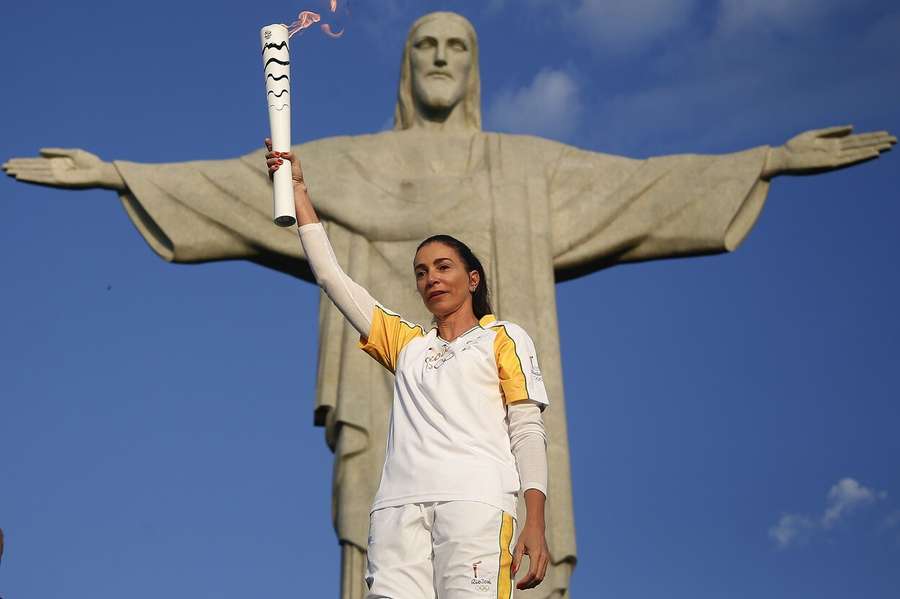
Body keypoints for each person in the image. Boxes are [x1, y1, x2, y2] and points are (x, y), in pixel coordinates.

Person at [266, 136, 551, 597]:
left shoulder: (503, 338)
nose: (431, 278)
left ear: (472, 278)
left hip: (475, 505)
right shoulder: (408, 345)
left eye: (443, 267)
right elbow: (331, 278)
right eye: (421, 272)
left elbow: (526, 429)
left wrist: (535, 521)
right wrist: (299, 193)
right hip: (398, 512)